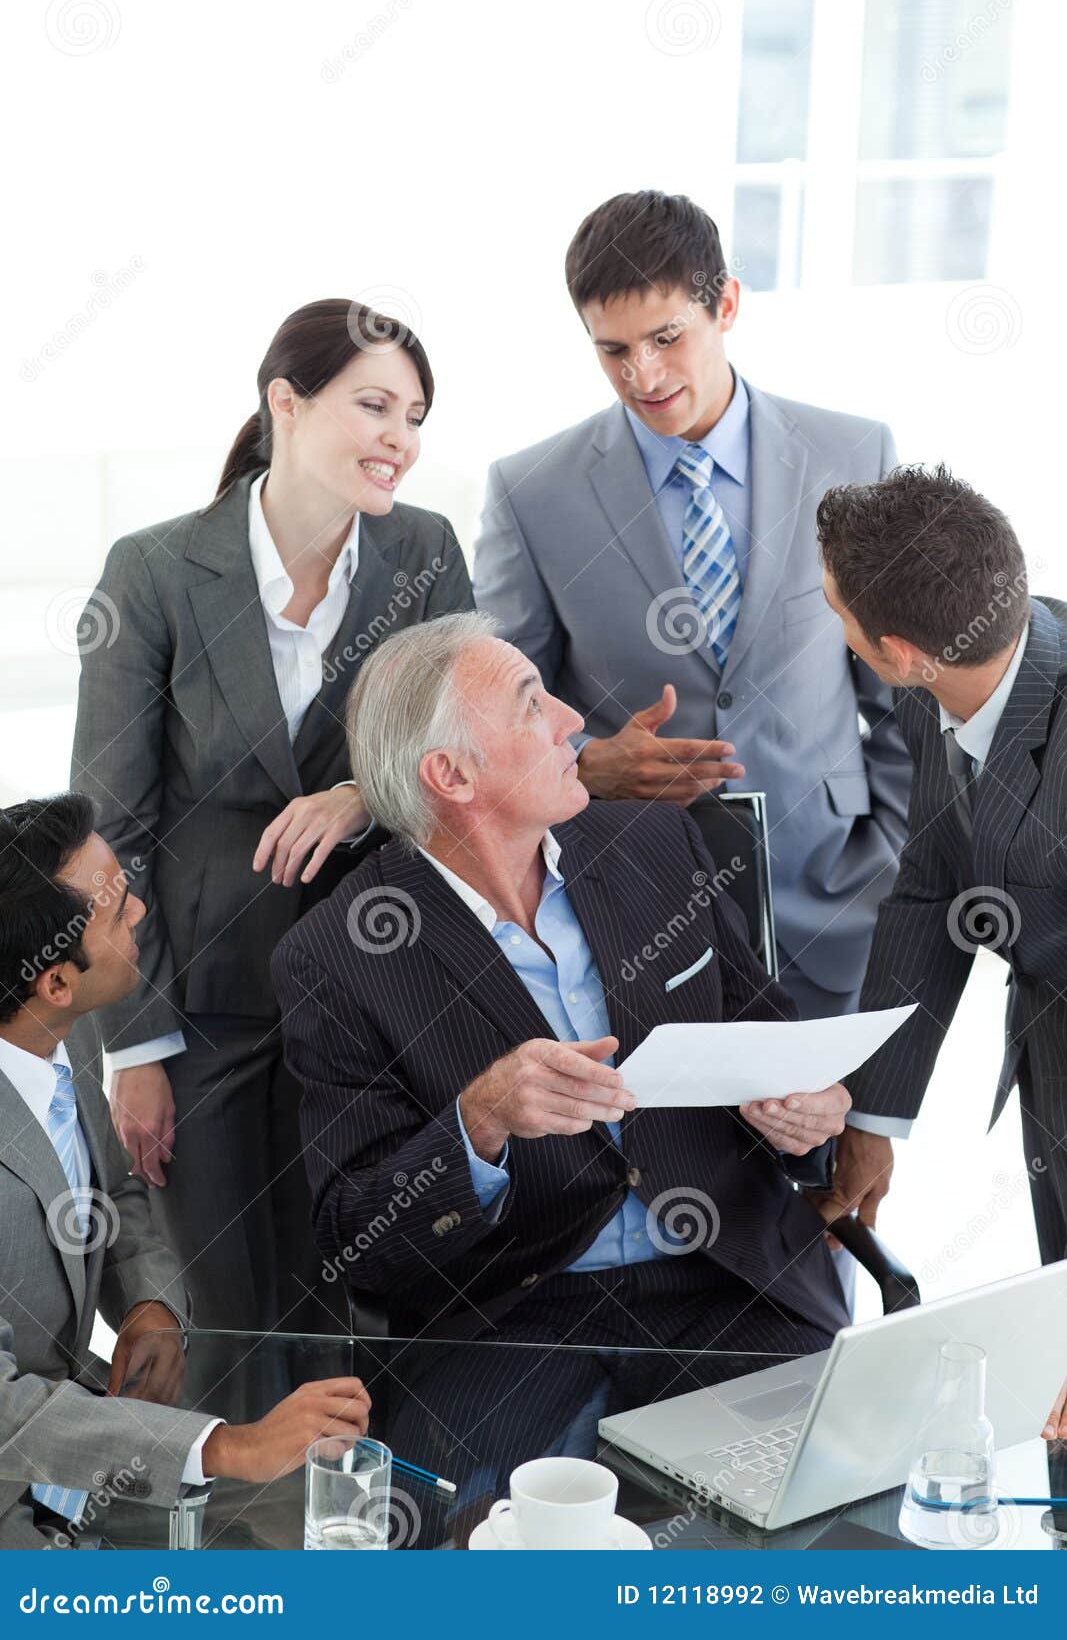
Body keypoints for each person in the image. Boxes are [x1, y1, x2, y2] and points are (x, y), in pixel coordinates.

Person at [272, 612, 855, 1494]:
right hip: (513, 1317)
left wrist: (810, 1112)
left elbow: (769, 1030)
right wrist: (478, 1124)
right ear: (450, 774)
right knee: (472, 1559)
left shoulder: (654, 841)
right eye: (529, 704)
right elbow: (355, 1236)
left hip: (727, 1285)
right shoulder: (338, 955)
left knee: (813, 1515)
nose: (572, 721)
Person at [70, 299, 474, 1332]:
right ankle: (223, 1496)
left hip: (361, 996)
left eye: (415, 416)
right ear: (284, 403)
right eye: (374, 405)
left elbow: (461, 762)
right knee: (211, 1314)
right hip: (193, 1002)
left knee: (347, 1302)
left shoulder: (421, 553)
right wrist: (136, 1048)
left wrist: (357, 795)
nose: (400, 438)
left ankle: (350, 1502)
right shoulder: (155, 572)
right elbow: (110, 824)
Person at [473, 189, 912, 1025]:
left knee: (835, 1153)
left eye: (666, 337)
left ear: (727, 305)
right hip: (634, 918)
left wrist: (888, 864)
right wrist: (585, 765)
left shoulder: (854, 453)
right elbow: (496, 718)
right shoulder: (531, 491)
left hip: (837, 906)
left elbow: (903, 699)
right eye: (613, 350)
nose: (644, 374)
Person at [0, 796, 372, 1549]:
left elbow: (117, 1196)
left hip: (68, 1478)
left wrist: (149, 1305)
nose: (139, 909)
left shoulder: (55, 1037)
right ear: (56, 983)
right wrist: (229, 1446)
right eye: (115, 913)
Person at [815, 465, 1067, 1443]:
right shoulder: (969, 668)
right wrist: (871, 1115)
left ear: (899, 652)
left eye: (835, 611)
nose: (829, 623)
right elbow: (932, 890)